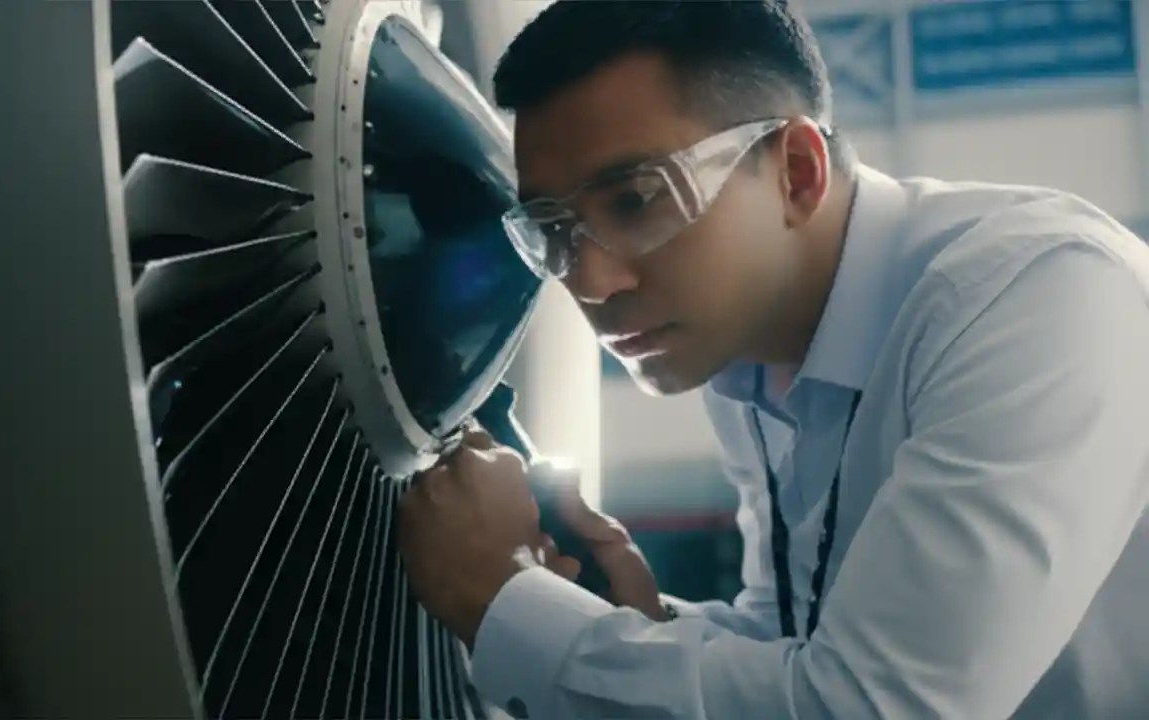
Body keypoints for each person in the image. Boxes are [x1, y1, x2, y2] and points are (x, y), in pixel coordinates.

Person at [397, 1, 1149, 717]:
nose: (590, 283)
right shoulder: (748, 353)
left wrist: (501, 601)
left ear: (797, 171)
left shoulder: (1036, 297)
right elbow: (798, 637)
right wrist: (633, 622)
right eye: (553, 231)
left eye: (636, 201)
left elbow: (873, 706)